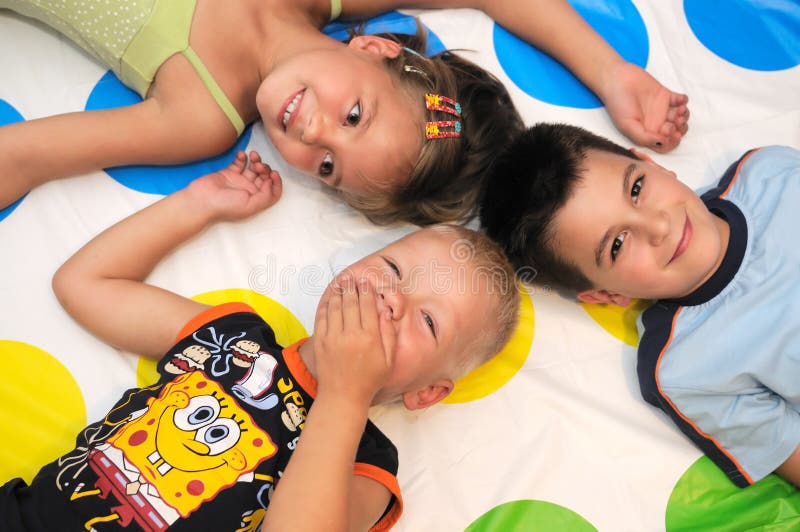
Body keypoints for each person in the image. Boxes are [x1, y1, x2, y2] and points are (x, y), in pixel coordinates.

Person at [0, 150, 520, 531]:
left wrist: (345, 392)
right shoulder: (234, 338)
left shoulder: (367, 464)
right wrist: (197, 204)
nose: (391, 300)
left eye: (427, 321)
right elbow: (85, 284)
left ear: (426, 393)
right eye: (392, 269)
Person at [0, 0, 688, 225]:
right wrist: (611, 72)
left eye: (327, 166)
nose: (312, 133)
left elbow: (19, 157)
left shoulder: (199, 112)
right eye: (354, 115)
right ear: (375, 49)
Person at [479, 122, 800, 489]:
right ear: (606, 295)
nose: (658, 226)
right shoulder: (684, 370)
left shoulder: (769, 172)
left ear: (652, 164)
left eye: (636, 188)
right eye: (617, 245)